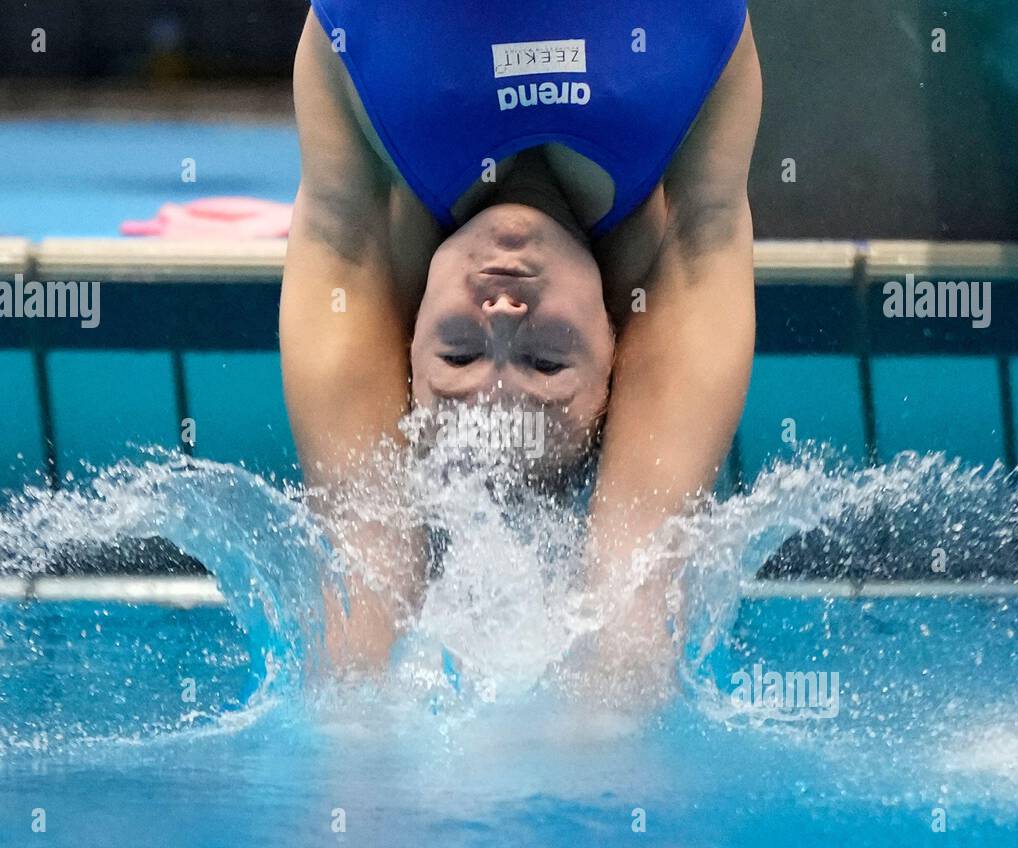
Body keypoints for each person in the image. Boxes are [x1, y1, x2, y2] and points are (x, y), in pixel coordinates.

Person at [280, 1, 761, 681]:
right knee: (628, 629)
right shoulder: (684, 204)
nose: (503, 312)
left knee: (367, 611)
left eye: (459, 352)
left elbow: (367, 582)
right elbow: (636, 592)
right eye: (544, 359)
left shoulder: (361, 159)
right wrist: (620, 643)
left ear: (406, 338)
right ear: (616, 350)